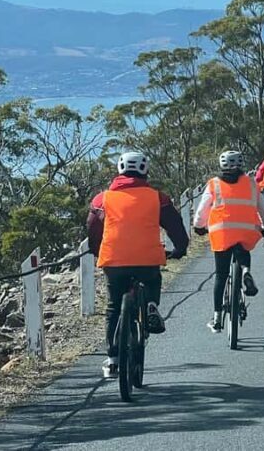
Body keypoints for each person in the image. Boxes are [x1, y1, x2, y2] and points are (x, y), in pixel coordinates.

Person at [87, 151, 189, 378]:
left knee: (114, 306)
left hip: (113, 260)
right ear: (145, 171)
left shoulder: (102, 199)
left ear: (119, 170)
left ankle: (113, 359)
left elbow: (93, 228)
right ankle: (151, 304)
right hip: (147, 258)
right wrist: (181, 248)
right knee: (152, 278)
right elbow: (175, 225)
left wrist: (97, 251)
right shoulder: (157, 197)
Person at [193, 151, 264, 332]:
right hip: (246, 230)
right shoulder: (252, 184)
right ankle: (246, 271)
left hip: (221, 233)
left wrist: (199, 226)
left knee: (221, 275)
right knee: (243, 248)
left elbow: (202, 210)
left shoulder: (214, 184)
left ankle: (217, 318)